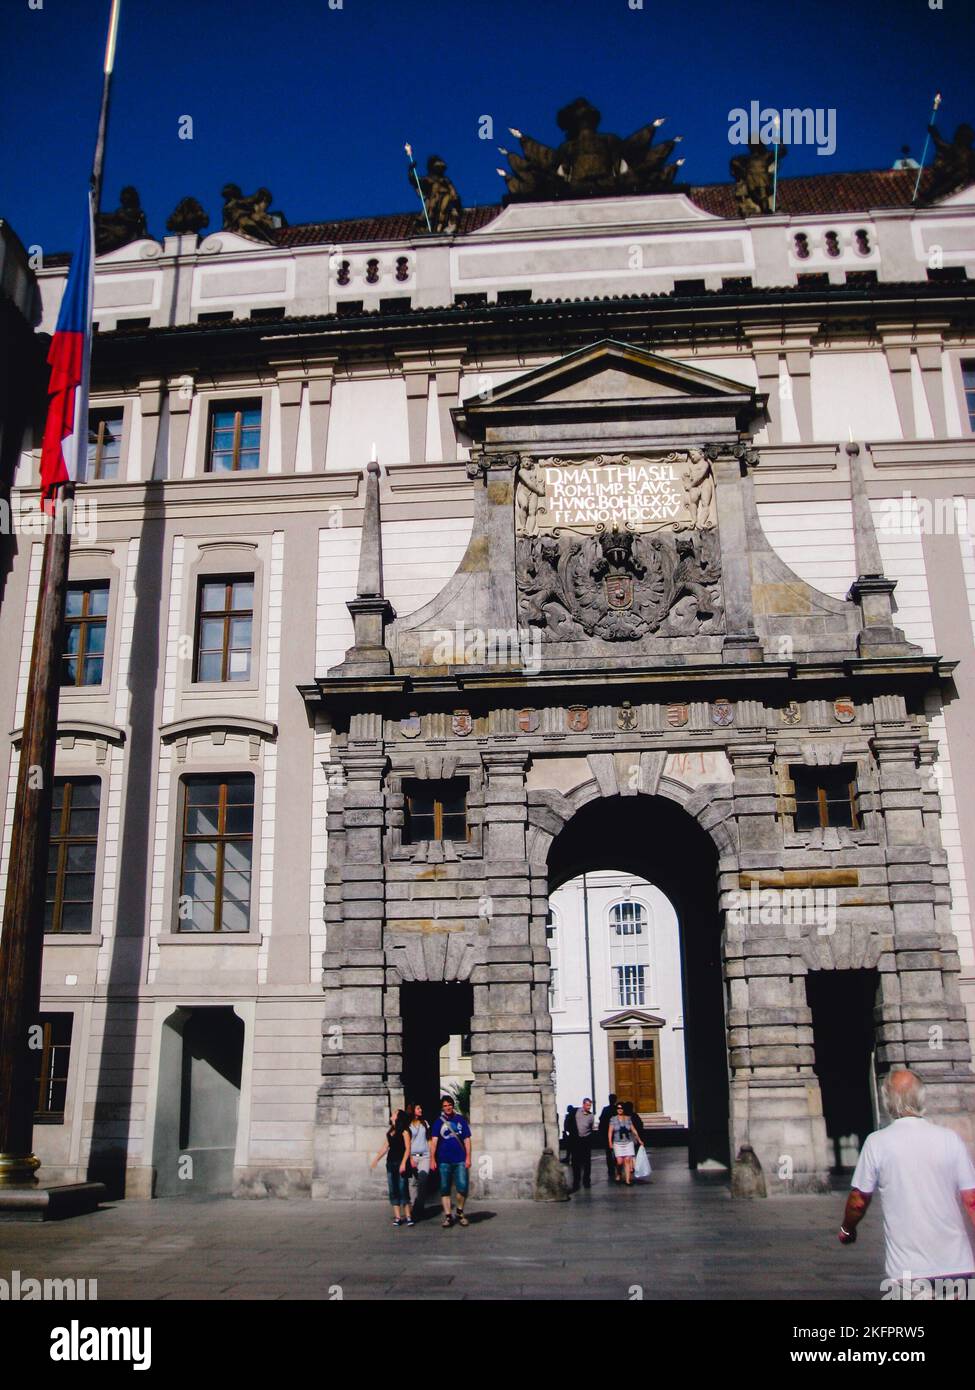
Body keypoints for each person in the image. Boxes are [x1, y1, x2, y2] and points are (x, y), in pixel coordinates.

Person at [838, 1069, 975, 1298]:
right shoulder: (949, 1139)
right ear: (922, 1098)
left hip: (908, 1272)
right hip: (957, 1265)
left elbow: (858, 1201)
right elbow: (971, 1201)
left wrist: (847, 1229)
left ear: (886, 1101)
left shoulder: (877, 1143)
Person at [430, 1094, 473, 1229]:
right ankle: (448, 1216)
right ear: (442, 1108)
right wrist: (432, 1159)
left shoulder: (461, 1120)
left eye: (449, 1105)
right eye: (445, 1106)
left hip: (460, 1159)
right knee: (445, 1189)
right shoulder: (438, 1122)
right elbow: (434, 1142)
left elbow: (467, 1139)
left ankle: (459, 1211)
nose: (448, 1107)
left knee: (463, 1187)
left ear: (452, 1105)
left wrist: (468, 1157)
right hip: (444, 1160)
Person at [370, 1108, 413, 1226]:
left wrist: (404, 1163)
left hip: (400, 1162)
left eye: (394, 1113)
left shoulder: (405, 1131)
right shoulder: (390, 1132)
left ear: (398, 1117)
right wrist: (376, 1159)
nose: (392, 1114)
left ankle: (408, 1216)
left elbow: (408, 1149)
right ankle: (398, 1217)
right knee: (393, 1189)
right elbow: (385, 1147)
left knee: (403, 1188)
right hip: (390, 1163)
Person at [609, 1101, 644, 1186]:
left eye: (621, 1108)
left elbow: (633, 1130)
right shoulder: (613, 1119)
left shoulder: (628, 1118)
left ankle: (628, 1180)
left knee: (627, 1160)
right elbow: (610, 1132)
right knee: (619, 1162)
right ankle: (619, 1173)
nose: (620, 1110)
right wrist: (610, 1142)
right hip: (618, 1143)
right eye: (618, 1108)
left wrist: (639, 1140)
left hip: (628, 1142)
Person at [407, 1102, 431, 1218]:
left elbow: (429, 1140)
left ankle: (419, 1207)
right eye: (418, 1108)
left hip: (425, 1156)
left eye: (420, 1107)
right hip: (412, 1156)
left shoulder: (425, 1123)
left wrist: (433, 1157)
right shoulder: (408, 1125)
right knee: (412, 1183)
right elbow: (406, 1143)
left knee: (423, 1180)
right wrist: (410, 1158)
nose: (420, 1110)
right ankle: (412, 1206)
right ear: (412, 1110)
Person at [570, 1097, 595, 1192]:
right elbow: (570, 1123)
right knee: (576, 1161)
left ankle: (586, 1181)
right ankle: (576, 1181)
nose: (589, 1107)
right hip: (577, 1140)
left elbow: (591, 1127)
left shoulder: (591, 1116)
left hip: (586, 1140)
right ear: (583, 1104)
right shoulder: (576, 1112)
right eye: (587, 1105)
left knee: (587, 1161)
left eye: (590, 1106)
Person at [597, 1093, 618, 1181]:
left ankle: (611, 1168)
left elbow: (601, 1119)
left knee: (608, 1152)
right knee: (617, 1151)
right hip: (615, 1132)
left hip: (607, 1132)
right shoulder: (617, 1109)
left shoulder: (606, 1109)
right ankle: (617, 1166)